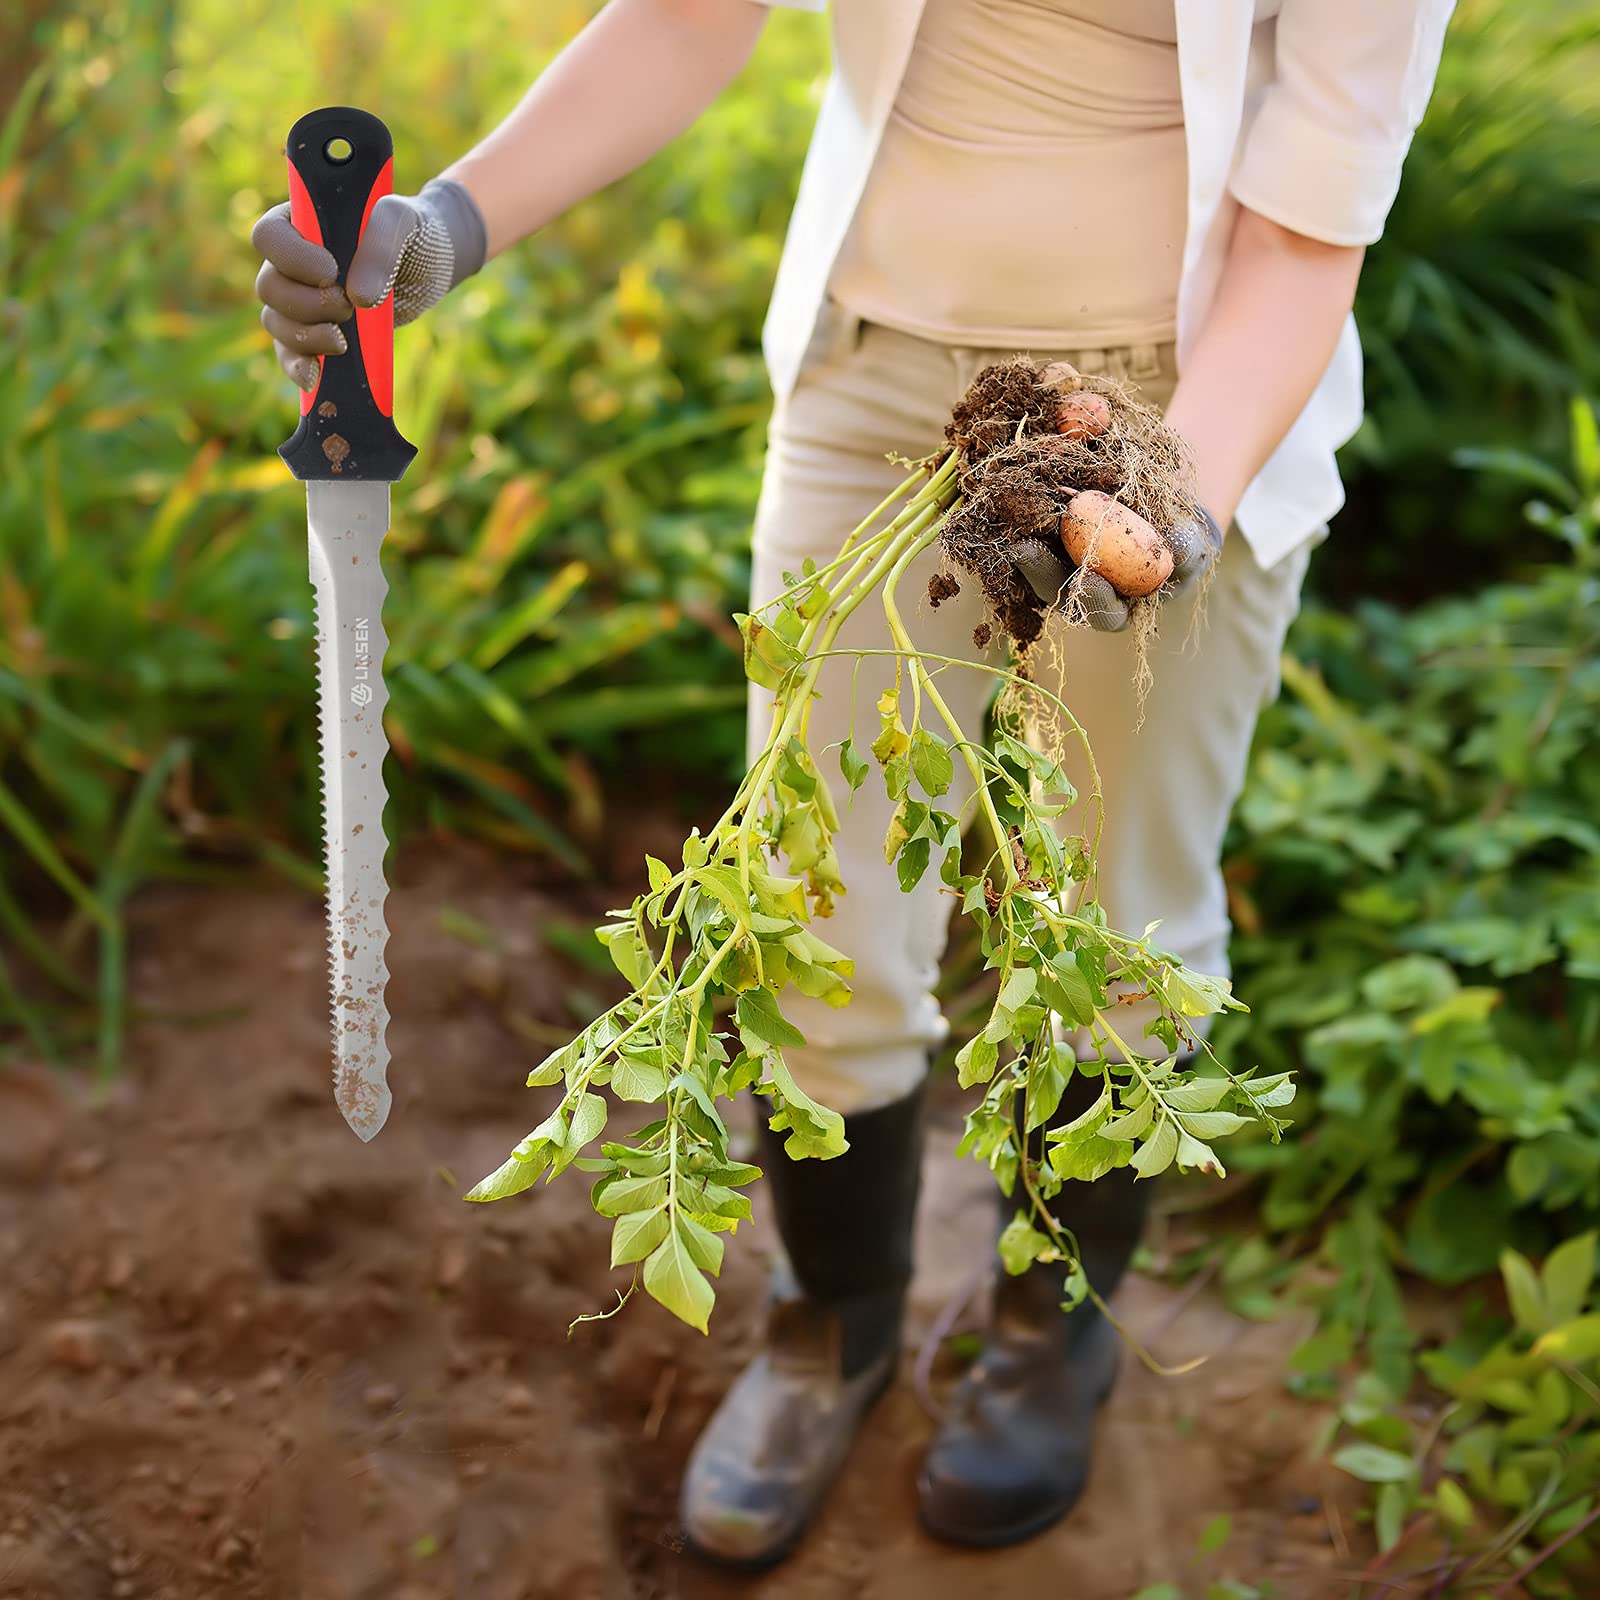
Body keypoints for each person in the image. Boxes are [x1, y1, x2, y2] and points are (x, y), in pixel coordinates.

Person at [253, 0, 1455, 1567]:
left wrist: (1178, 500)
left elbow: (1303, 250)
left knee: (1117, 916)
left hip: (1174, 413)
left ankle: (1054, 1326)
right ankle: (832, 1328)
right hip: (878, 383)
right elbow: (694, 14)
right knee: (808, 899)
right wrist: (449, 227)